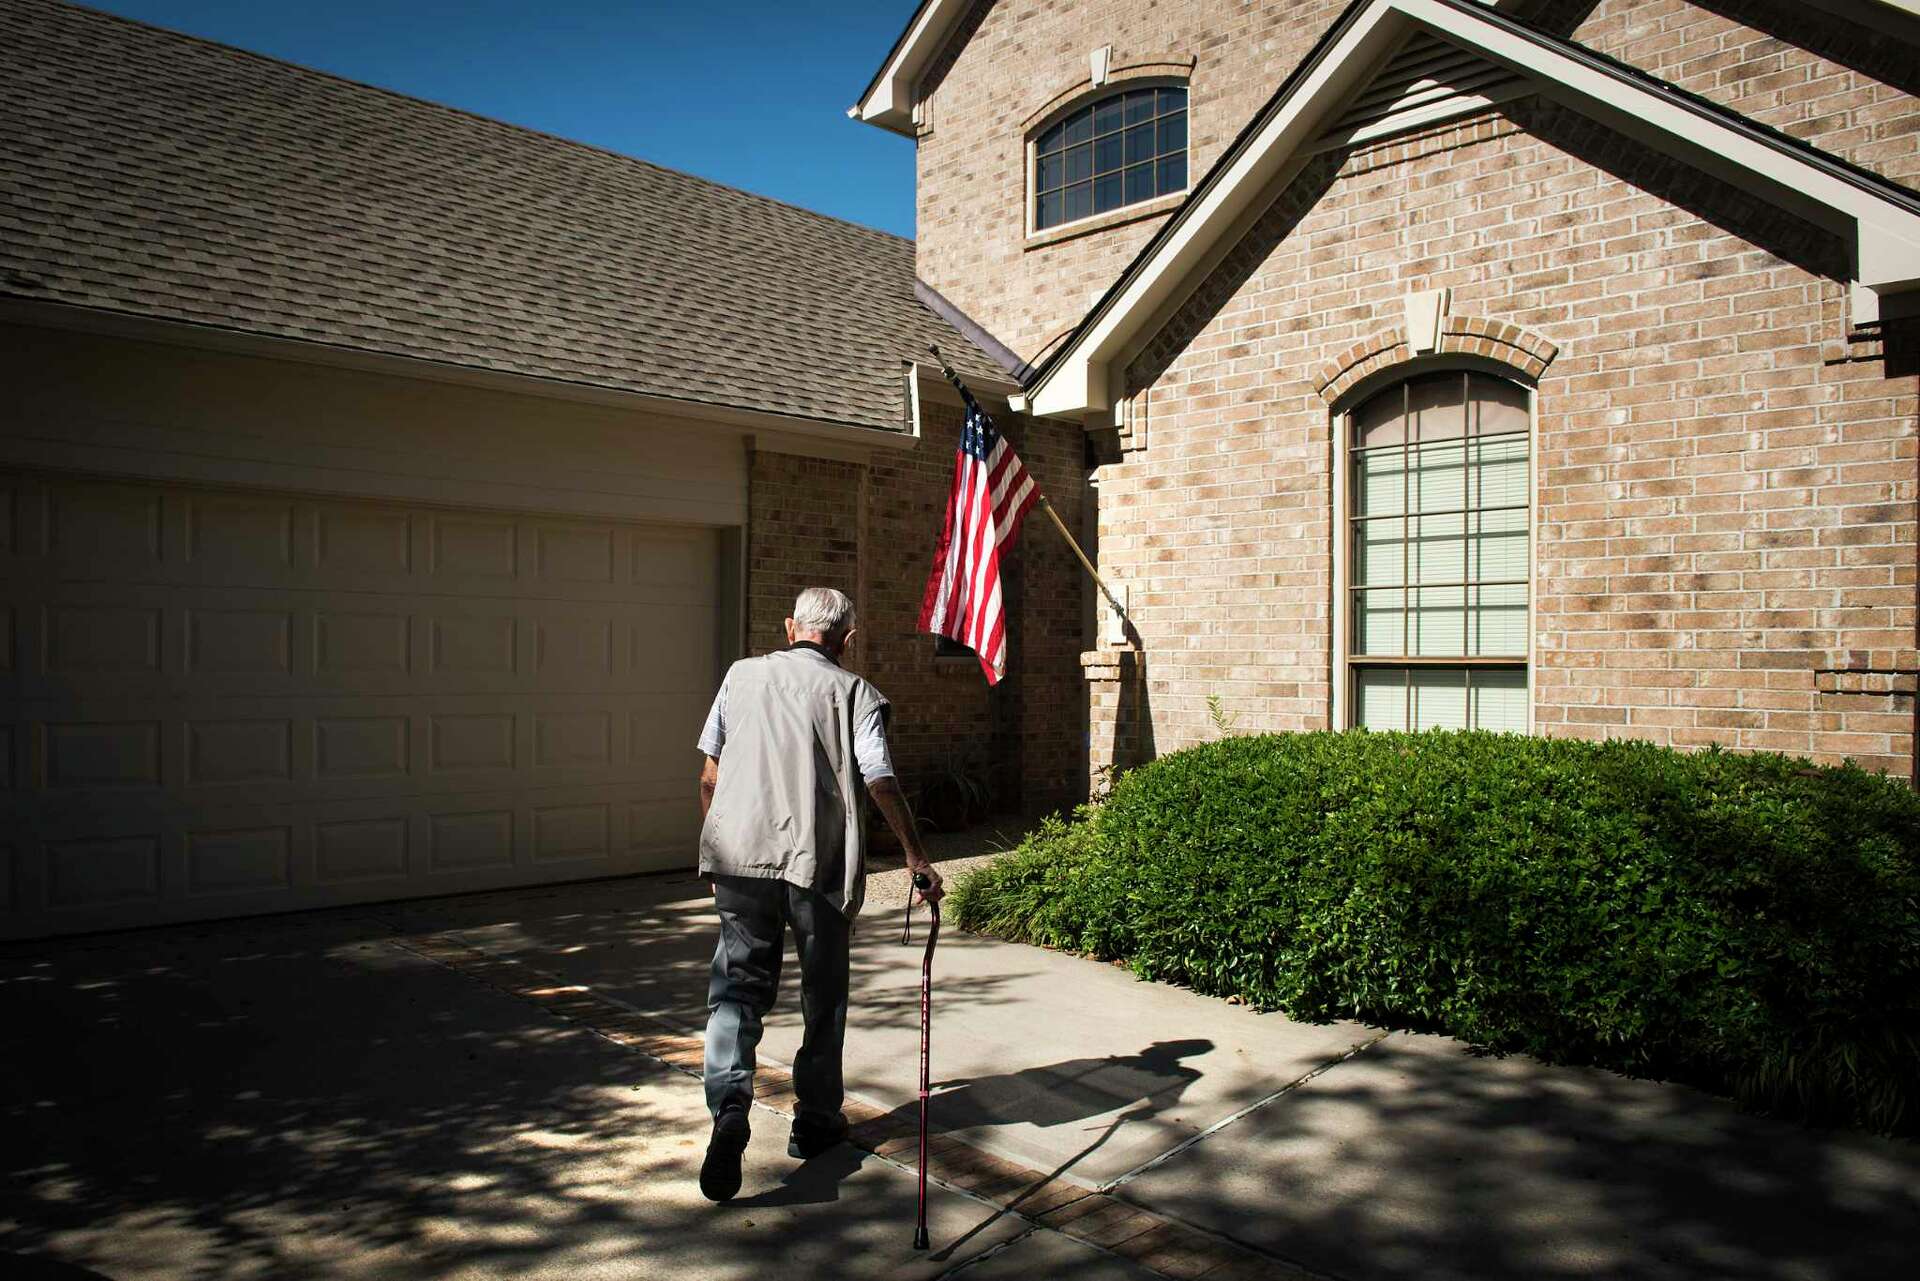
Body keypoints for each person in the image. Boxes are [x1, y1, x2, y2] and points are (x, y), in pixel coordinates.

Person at [693, 586, 944, 1202]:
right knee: (823, 995)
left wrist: (723, 837)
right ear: (847, 639)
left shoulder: (741, 676)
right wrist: (915, 855)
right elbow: (879, 778)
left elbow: (708, 774)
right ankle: (815, 1120)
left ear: (790, 627)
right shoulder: (854, 692)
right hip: (816, 866)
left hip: (739, 860)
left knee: (737, 991)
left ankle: (730, 1106)